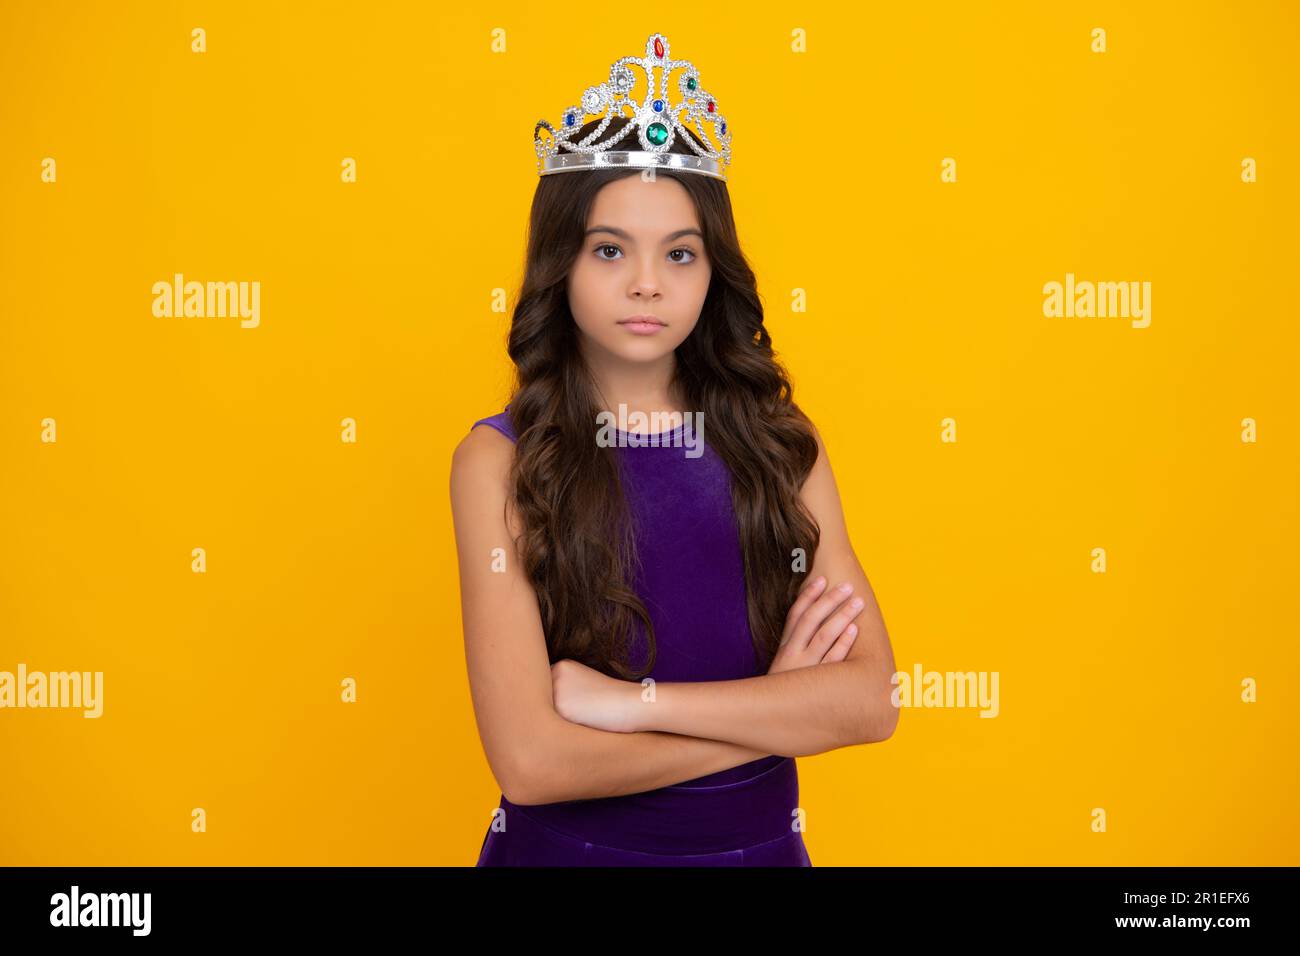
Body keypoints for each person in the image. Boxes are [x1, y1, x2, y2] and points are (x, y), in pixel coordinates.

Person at [450, 32, 898, 866]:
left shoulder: (777, 447)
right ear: (563, 265)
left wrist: (630, 705)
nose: (647, 282)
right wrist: (774, 712)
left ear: (711, 272)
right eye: (610, 249)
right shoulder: (498, 463)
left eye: (680, 253)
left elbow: (871, 700)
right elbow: (533, 763)